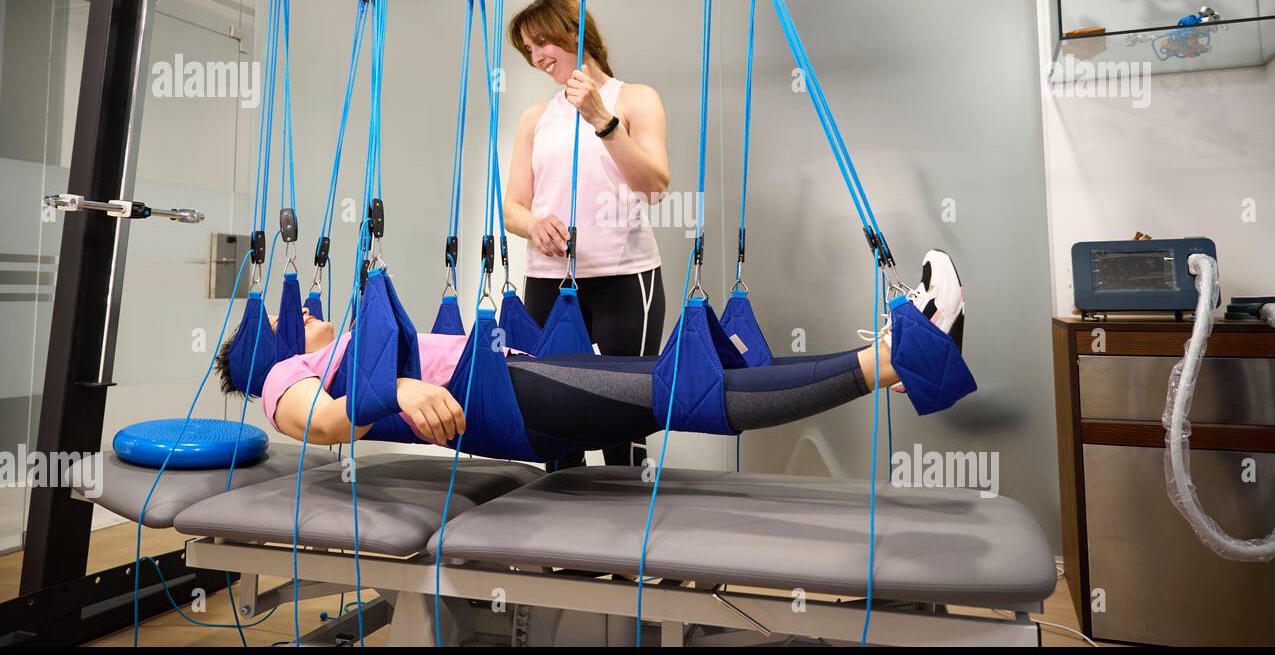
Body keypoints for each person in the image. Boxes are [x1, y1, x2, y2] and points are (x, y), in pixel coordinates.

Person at [214, 251, 968, 454]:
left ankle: (897, 362)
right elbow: (321, 425)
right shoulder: (287, 375)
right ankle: (899, 359)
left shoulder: (343, 347)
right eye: (298, 315)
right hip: (509, 399)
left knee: (704, 383)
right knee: (690, 394)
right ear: (272, 347)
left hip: (519, 388)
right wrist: (403, 394)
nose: (311, 309)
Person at [501, 0, 670, 469]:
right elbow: (512, 208)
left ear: (573, 33)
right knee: (554, 414)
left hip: (625, 279)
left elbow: (655, 185)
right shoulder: (535, 118)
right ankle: (558, 535)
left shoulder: (636, 99)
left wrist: (602, 120)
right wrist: (535, 225)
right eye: (527, 50)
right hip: (549, 281)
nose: (535, 58)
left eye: (540, 44)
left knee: (624, 417)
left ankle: (625, 534)